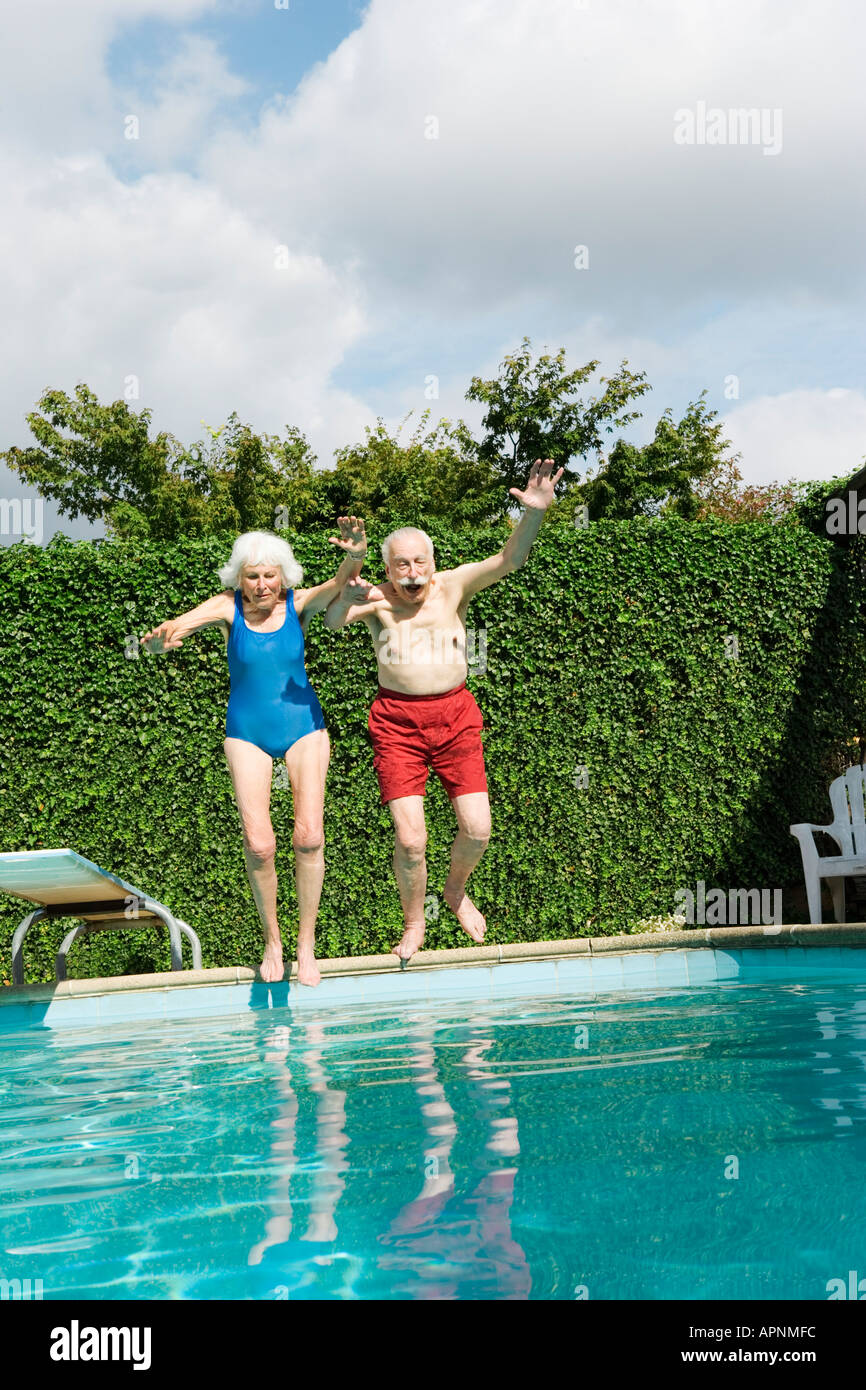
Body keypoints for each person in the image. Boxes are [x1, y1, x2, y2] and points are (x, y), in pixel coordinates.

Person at [324, 458, 563, 960]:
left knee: (478, 828)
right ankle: (414, 921)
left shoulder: (454, 586)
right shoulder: (379, 600)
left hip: (455, 717)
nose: (411, 574)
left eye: (419, 563)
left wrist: (534, 513)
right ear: (388, 568)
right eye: (400, 565)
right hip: (397, 723)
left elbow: (510, 559)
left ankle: (453, 891)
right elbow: (333, 621)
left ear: (433, 562)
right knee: (411, 841)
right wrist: (351, 572)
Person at [141, 518, 370, 985]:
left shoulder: (299, 603)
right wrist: (162, 642)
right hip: (246, 731)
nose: (261, 584)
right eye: (252, 576)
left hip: (305, 726)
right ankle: (273, 941)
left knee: (308, 837)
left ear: (283, 576)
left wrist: (356, 553)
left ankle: (306, 946)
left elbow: (340, 583)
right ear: (237, 579)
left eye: (269, 575)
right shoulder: (227, 608)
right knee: (260, 845)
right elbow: (177, 627)